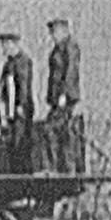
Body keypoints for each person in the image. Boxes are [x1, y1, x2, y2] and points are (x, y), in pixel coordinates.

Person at [42, 18, 83, 174]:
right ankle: (56, 168)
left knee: (62, 132)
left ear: (64, 31)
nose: (52, 35)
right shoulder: (56, 49)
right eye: (51, 32)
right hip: (56, 100)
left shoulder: (71, 47)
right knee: (53, 131)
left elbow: (71, 71)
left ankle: (66, 170)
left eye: (54, 32)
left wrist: (64, 94)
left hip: (66, 99)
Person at [0, 31, 35, 173]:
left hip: (21, 110)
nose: (4, 48)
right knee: (12, 145)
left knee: (20, 144)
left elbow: (23, 85)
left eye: (5, 45)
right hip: (10, 110)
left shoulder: (23, 61)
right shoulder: (9, 64)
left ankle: (23, 178)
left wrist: (20, 105)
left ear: (13, 44)